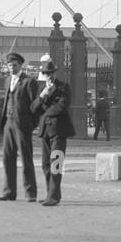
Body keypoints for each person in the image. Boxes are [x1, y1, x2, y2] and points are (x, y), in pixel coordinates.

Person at [31, 58, 74, 206]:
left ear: (54, 73)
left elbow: (62, 106)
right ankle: (52, 193)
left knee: (56, 163)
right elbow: (33, 108)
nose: (48, 75)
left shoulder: (63, 87)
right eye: (45, 73)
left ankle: (53, 197)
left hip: (59, 130)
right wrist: (43, 95)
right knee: (45, 165)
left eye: (50, 73)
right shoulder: (41, 89)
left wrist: (45, 110)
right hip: (45, 131)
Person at [0, 52, 40, 201]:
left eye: (14, 65)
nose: (11, 68)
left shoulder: (30, 82)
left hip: (23, 125)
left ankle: (31, 193)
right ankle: (9, 191)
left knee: (26, 158)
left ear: (20, 65)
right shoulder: (8, 80)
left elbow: (35, 105)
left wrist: (32, 124)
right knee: (7, 158)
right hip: (8, 123)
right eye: (9, 65)